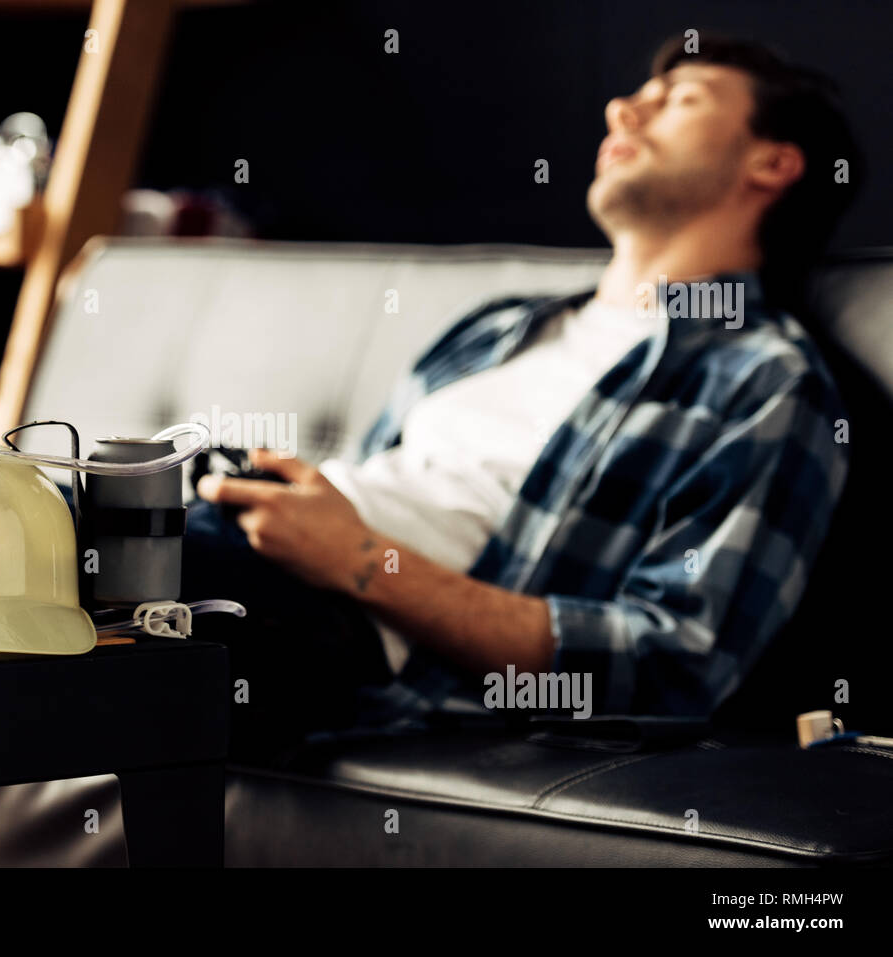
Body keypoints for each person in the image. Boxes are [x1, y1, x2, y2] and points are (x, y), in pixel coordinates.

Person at [183, 34, 861, 761]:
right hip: (247, 551)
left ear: (773, 162)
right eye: (638, 95)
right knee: (74, 535)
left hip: (347, 633)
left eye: (681, 100)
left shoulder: (765, 379)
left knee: (82, 559)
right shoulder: (497, 326)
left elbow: (675, 666)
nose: (623, 110)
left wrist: (359, 558)